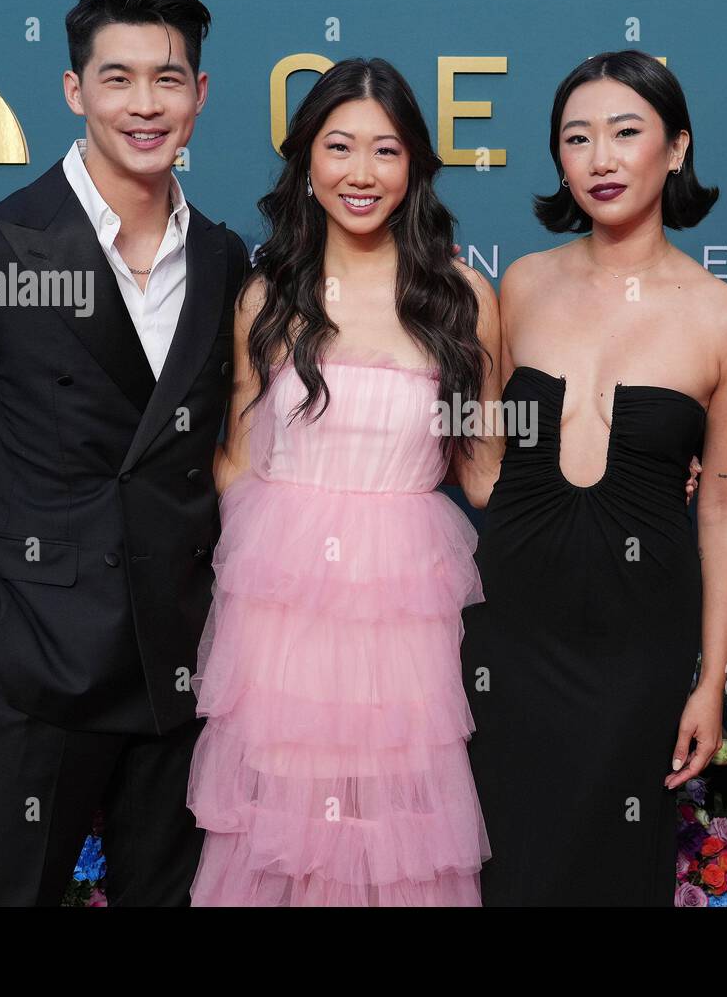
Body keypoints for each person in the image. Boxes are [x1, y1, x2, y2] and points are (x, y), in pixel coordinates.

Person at [0, 0, 246, 905]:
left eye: (168, 79)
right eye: (117, 78)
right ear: (75, 91)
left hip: (182, 662)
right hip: (39, 657)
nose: (144, 105)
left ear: (201, 94)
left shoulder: (226, 257)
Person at [185, 57, 502, 906]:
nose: (361, 174)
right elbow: (237, 462)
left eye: (387, 151)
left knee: (396, 843)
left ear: (415, 167)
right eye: (339, 147)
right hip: (281, 618)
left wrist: (642, 473)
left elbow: (486, 474)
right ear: (306, 162)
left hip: (402, 615)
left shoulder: (463, 298)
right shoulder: (267, 297)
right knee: (281, 836)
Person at [460, 50, 727, 905]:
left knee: (612, 866)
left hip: (639, 644)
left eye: (626, 133)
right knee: (499, 859)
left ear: (676, 149)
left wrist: (712, 678)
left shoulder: (726, 320)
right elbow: (486, 465)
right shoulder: (519, 285)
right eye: (577, 137)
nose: (600, 158)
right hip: (510, 632)